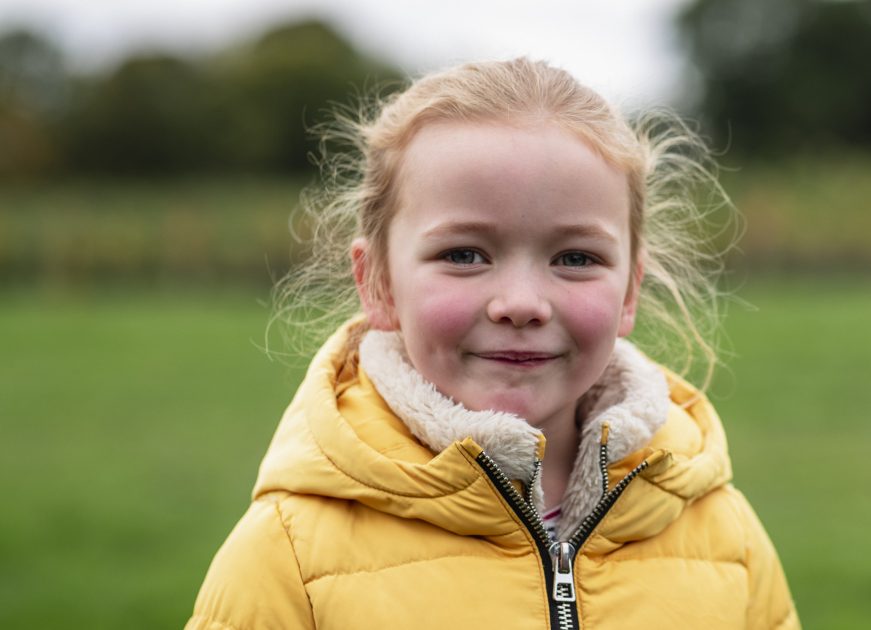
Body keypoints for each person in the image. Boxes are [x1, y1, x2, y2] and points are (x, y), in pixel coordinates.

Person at [186, 58, 798, 630]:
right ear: (378, 282)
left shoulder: (725, 539)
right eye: (464, 254)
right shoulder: (289, 555)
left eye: (576, 258)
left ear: (629, 292)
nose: (522, 303)